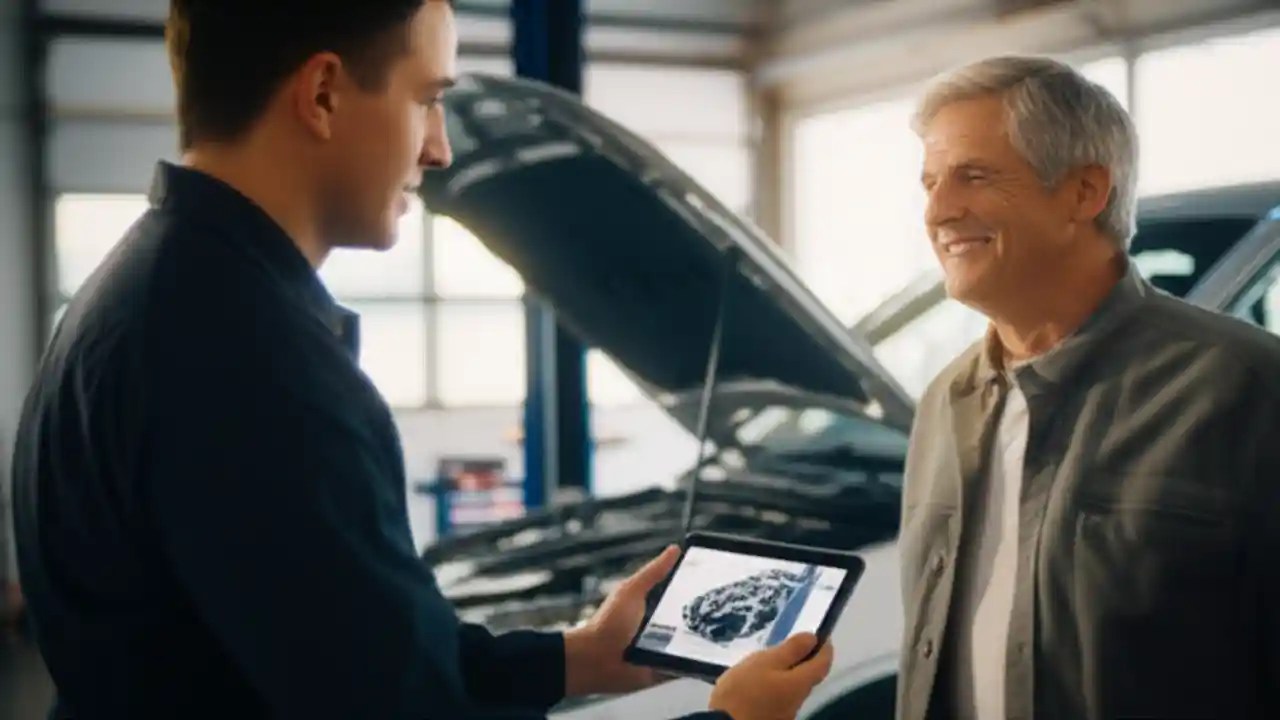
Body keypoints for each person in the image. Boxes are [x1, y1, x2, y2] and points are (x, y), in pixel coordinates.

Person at [9, 1, 834, 718]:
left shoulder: (152, 288)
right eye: (428, 99)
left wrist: (575, 657)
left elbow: (355, 656)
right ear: (324, 93)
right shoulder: (251, 361)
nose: (439, 149)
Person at [897, 56, 1280, 720]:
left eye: (974, 176)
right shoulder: (944, 403)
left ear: (1083, 192)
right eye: (930, 183)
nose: (938, 210)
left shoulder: (1245, 389)